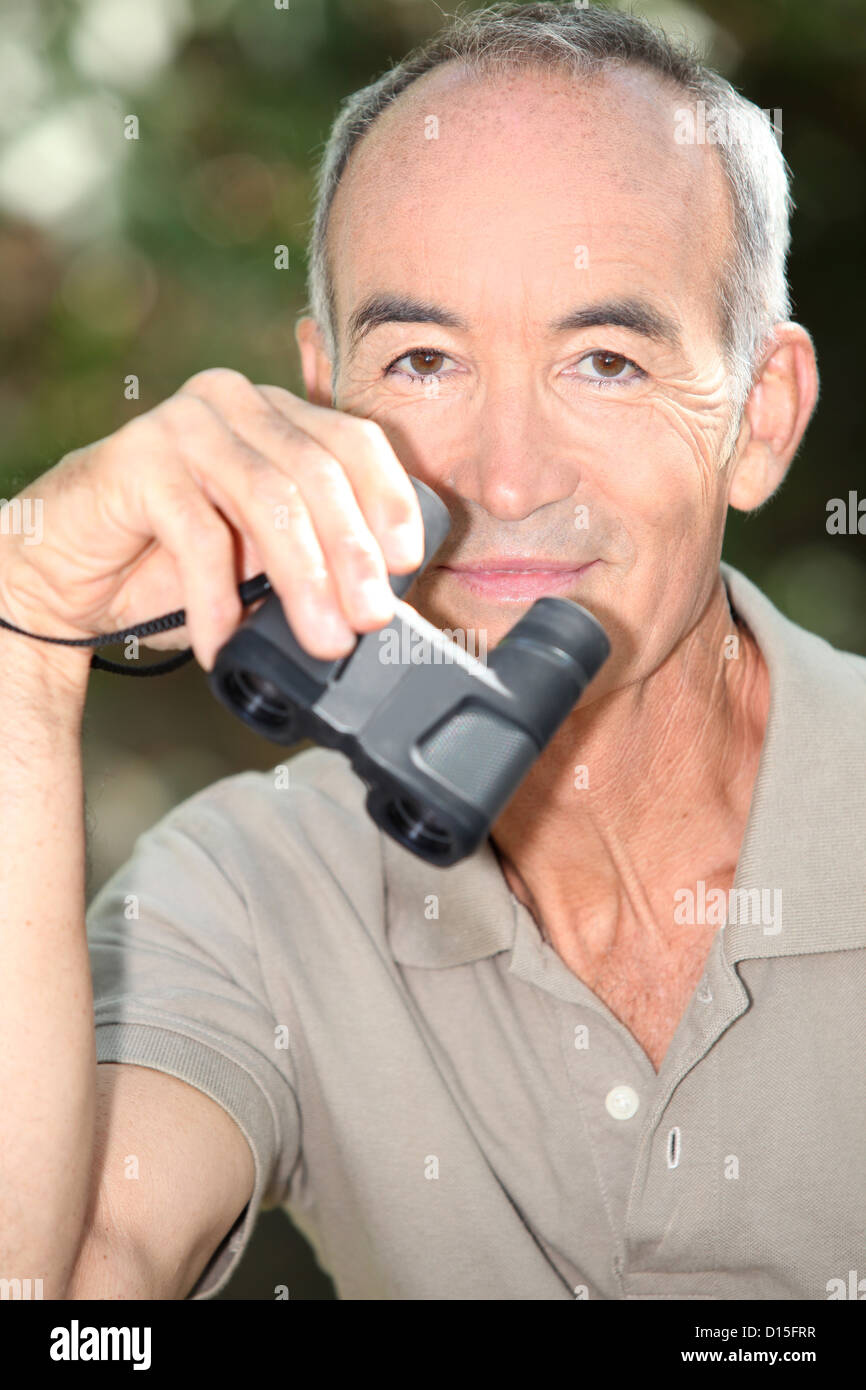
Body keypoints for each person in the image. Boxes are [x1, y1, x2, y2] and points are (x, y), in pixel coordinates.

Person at [1, 3, 863, 1302]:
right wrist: (25, 618)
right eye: (422, 359)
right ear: (320, 394)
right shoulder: (250, 886)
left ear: (758, 417)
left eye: (605, 361)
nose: (506, 476)